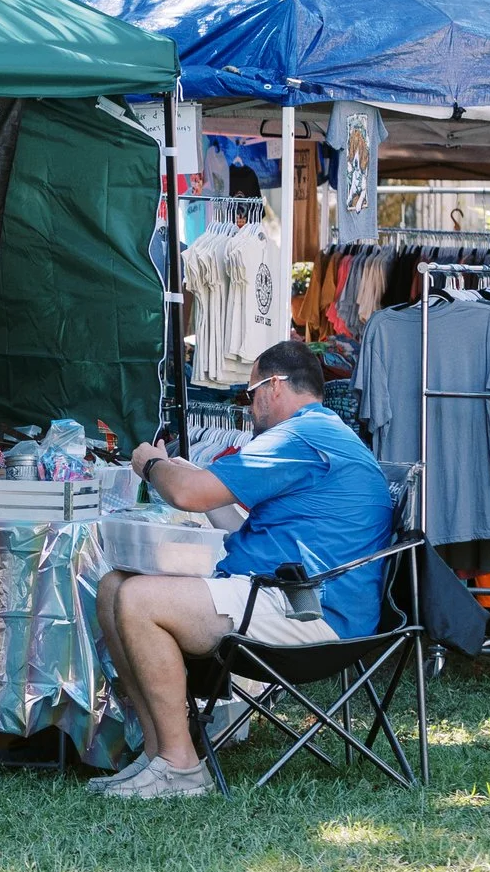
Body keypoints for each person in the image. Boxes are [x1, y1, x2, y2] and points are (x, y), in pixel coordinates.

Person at [90, 339, 395, 800]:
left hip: (312, 612)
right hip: (296, 594)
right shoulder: (321, 433)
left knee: (137, 599)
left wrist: (150, 465)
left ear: (274, 386)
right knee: (114, 585)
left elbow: (189, 495)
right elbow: (246, 526)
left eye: (249, 394)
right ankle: (158, 756)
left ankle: (182, 768)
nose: (248, 409)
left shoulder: (300, 436)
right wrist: (191, 476)